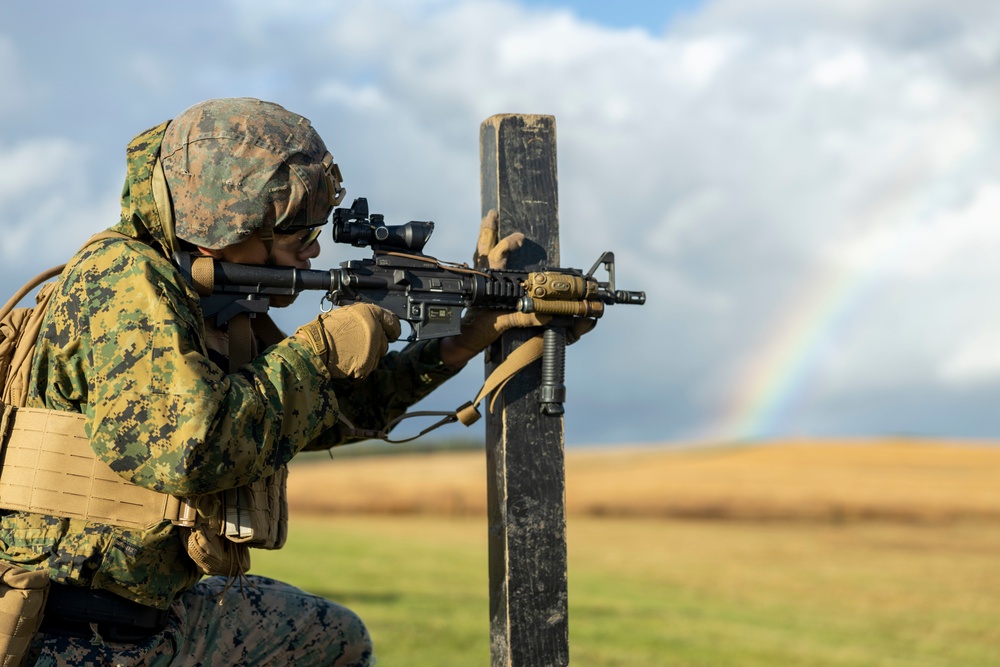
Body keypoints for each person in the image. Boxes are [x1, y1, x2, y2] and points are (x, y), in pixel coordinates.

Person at [1, 98, 556, 666]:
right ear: (225, 227)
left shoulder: (204, 302)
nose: (313, 250)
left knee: (332, 637)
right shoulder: (124, 277)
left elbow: (320, 413)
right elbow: (192, 448)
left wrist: (454, 344)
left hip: (146, 615)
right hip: (68, 631)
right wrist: (321, 348)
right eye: (296, 233)